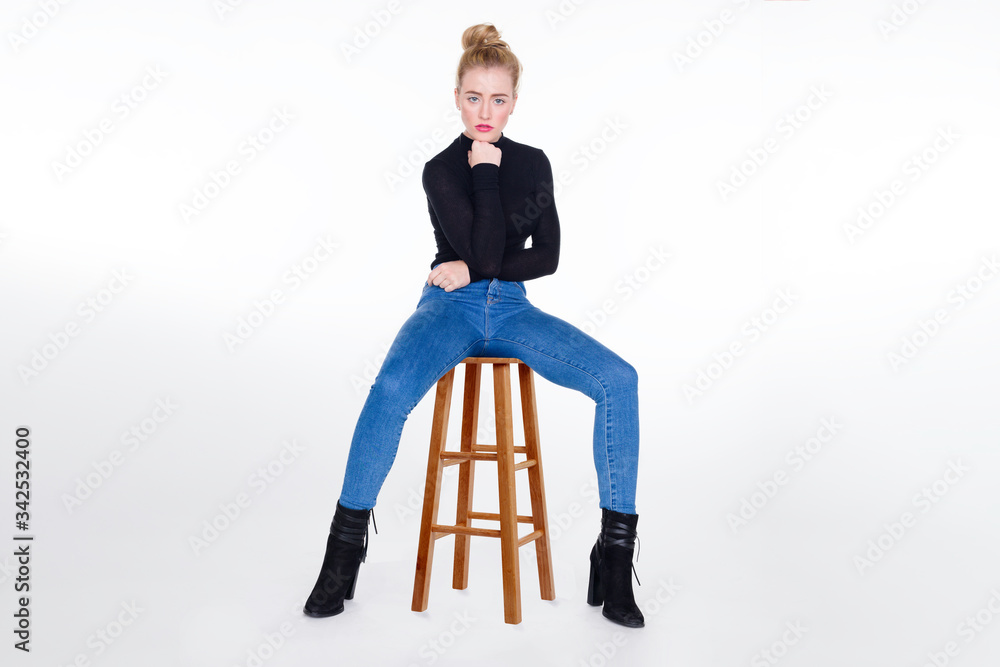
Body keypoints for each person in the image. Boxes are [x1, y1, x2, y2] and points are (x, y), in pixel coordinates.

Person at [303, 22, 644, 628]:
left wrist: (477, 261)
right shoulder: (440, 169)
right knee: (388, 391)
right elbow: (485, 253)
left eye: (499, 99)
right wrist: (481, 177)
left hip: (512, 309)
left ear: (516, 100)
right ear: (456, 95)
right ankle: (341, 556)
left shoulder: (535, 162)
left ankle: (613, 561)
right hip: (447, 309)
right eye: (473, 97)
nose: (486, 111)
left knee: (619, 380)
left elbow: (546, 258)